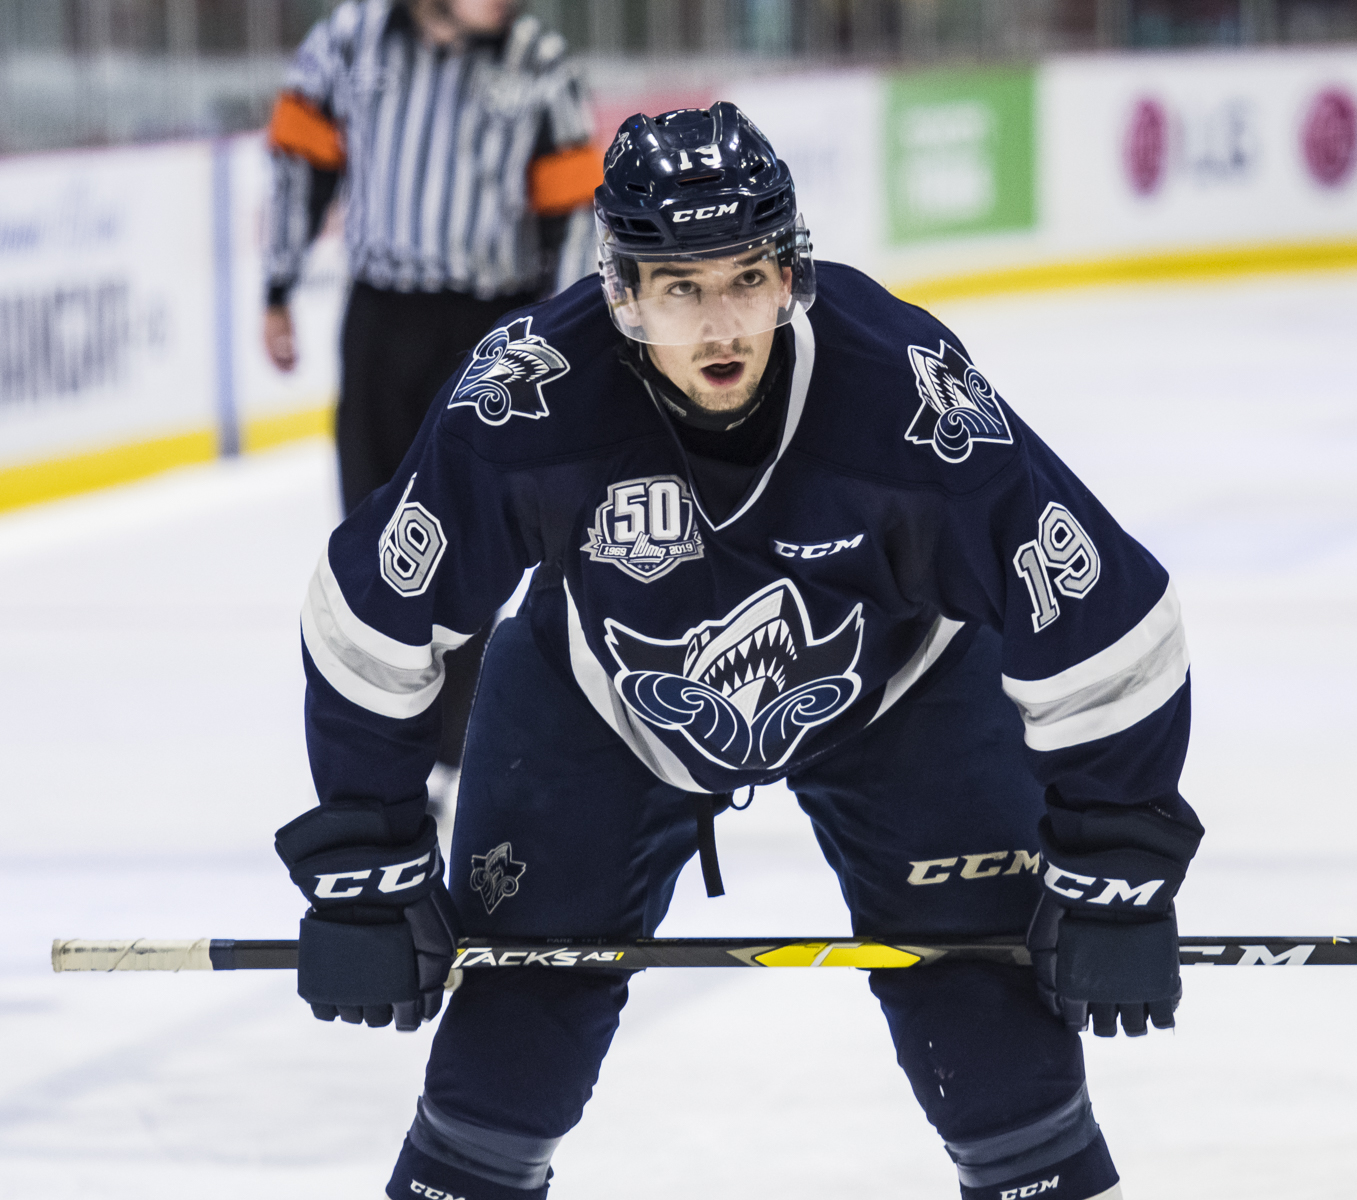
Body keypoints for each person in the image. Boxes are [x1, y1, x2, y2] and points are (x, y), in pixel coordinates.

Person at [275, 102, 1203, 1200]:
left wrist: (1116, 865)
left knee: (1002, 1065)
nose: (720, 327)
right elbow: (372, 613)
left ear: (789, 274)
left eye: (746, 280)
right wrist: (366, 863)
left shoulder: (902, 396)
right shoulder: (529, 400)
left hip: (896, 692)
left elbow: (1100, 613)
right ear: (621, 290)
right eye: (681, 288)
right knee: (502, 1072)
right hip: (602, 701)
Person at [263, 0, 602, 773]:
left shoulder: (538, 61)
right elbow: (301, 157)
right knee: (375, 536)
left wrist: (569, 340)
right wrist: (277, 287)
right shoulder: (350, 41)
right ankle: (384, 747)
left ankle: (452, 757)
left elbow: (574, 211)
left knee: (470, 542)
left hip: (491, 329)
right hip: (382, 322)